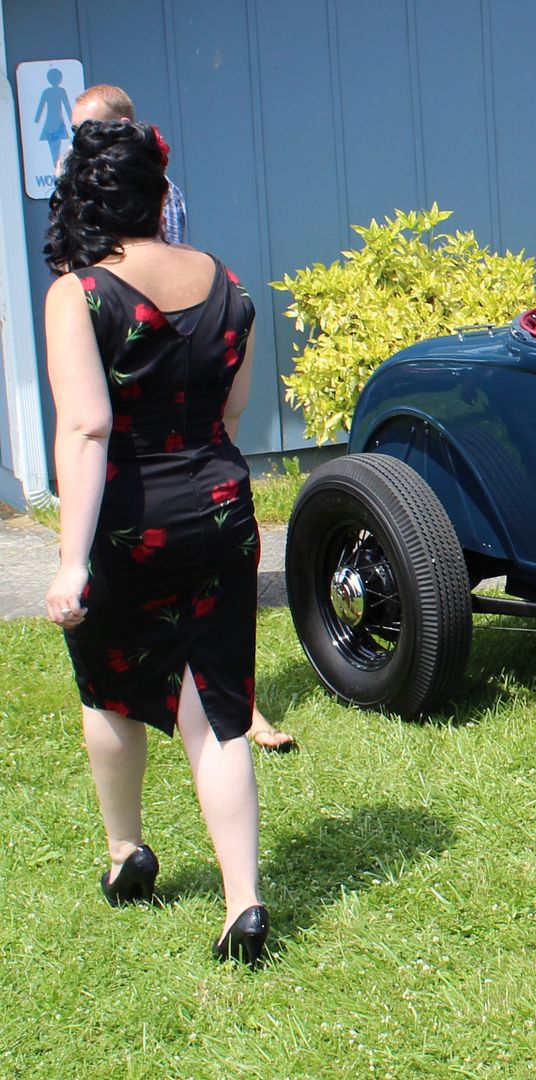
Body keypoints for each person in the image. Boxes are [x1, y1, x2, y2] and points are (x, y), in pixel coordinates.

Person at [43, 119, 268, 966]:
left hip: (130, 526)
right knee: (216, 708)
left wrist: (69, 562)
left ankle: (126, 851)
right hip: (220, 508)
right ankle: (243, 902)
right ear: (157, 192)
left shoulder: (81, 293)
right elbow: (236, 412)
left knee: (110, 691)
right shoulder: (230, 285)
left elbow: (87, 430)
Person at [69, 85, 295, 753]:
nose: (83, 145)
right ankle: (210, 716)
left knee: (195, 633)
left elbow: (168, 284)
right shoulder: (83, 213)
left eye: (92, 131)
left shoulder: (154, 201)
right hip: (155, 417)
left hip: (159, 406)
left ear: (126, 130)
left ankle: (227, 717)